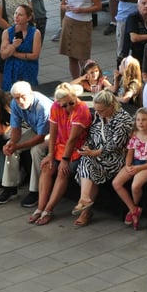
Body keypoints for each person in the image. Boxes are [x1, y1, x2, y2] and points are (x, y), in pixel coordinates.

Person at [31, 83, 91, 226]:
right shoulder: (55, 107)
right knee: (47, 167)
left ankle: (48, 210)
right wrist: (50, 154)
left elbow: (72, 139)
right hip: (60, 146)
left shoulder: (81, 109)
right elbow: (53, 133)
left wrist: (64, 160)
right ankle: (40, 207)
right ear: (58, 103)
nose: (69, 107)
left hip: (77, 149)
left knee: (62, 171)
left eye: (71, 103)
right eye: (64, 105)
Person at [73, 91, 133, 227]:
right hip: (98, 154)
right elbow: (92, 135)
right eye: (96, 110)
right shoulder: (99, 115)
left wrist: (94, 152)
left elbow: (115, 145)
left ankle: (85, 202)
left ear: (111, 106)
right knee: (87, 162)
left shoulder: (123, 120)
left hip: (115, 158)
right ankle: (85, 203)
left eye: (101, 110)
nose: (98, 113)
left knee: (87, 161)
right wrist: (87, 147)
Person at [0, 82, 53, 209]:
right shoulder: (15, 104)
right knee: (10, 146)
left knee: (36, 150)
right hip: (36, 129)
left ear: (30, 93)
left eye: (23, 96)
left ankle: (36, 191)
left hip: (54, 133)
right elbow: (16, 130)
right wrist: (12, 144)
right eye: (16, 98)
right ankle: (10, 187)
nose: (20, 101)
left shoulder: (43, 106)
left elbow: (40, 138)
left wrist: (18, 146)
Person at [111, 108, 147, 229]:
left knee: (135, 185)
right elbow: (130, 153)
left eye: (144, 120)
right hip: (135, 162)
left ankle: (133, 209)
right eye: (138, 120)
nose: (140, 122)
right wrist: (128, 166)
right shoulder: (135, 134)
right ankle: (134, 209)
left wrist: (139, 168)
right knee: (116, 183)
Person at [59, 0, 101, 78]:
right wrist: (66, 7)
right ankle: (76, 80)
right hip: (69, 22)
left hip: (83, 24)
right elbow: (61, 5)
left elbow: (98, 6)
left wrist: (83, 10)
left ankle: (89, 79)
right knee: (71, 55)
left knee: (83, 57)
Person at [1, 4, 42, 92]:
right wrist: (13, 46)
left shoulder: (35, 33)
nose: (16, 16)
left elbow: (35, 55)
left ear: (28, 18)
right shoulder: (7, 32)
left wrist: (14, 53)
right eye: (16, 13)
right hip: (11, 71)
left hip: (28, 70)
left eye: (20, 15)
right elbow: (3, 55)